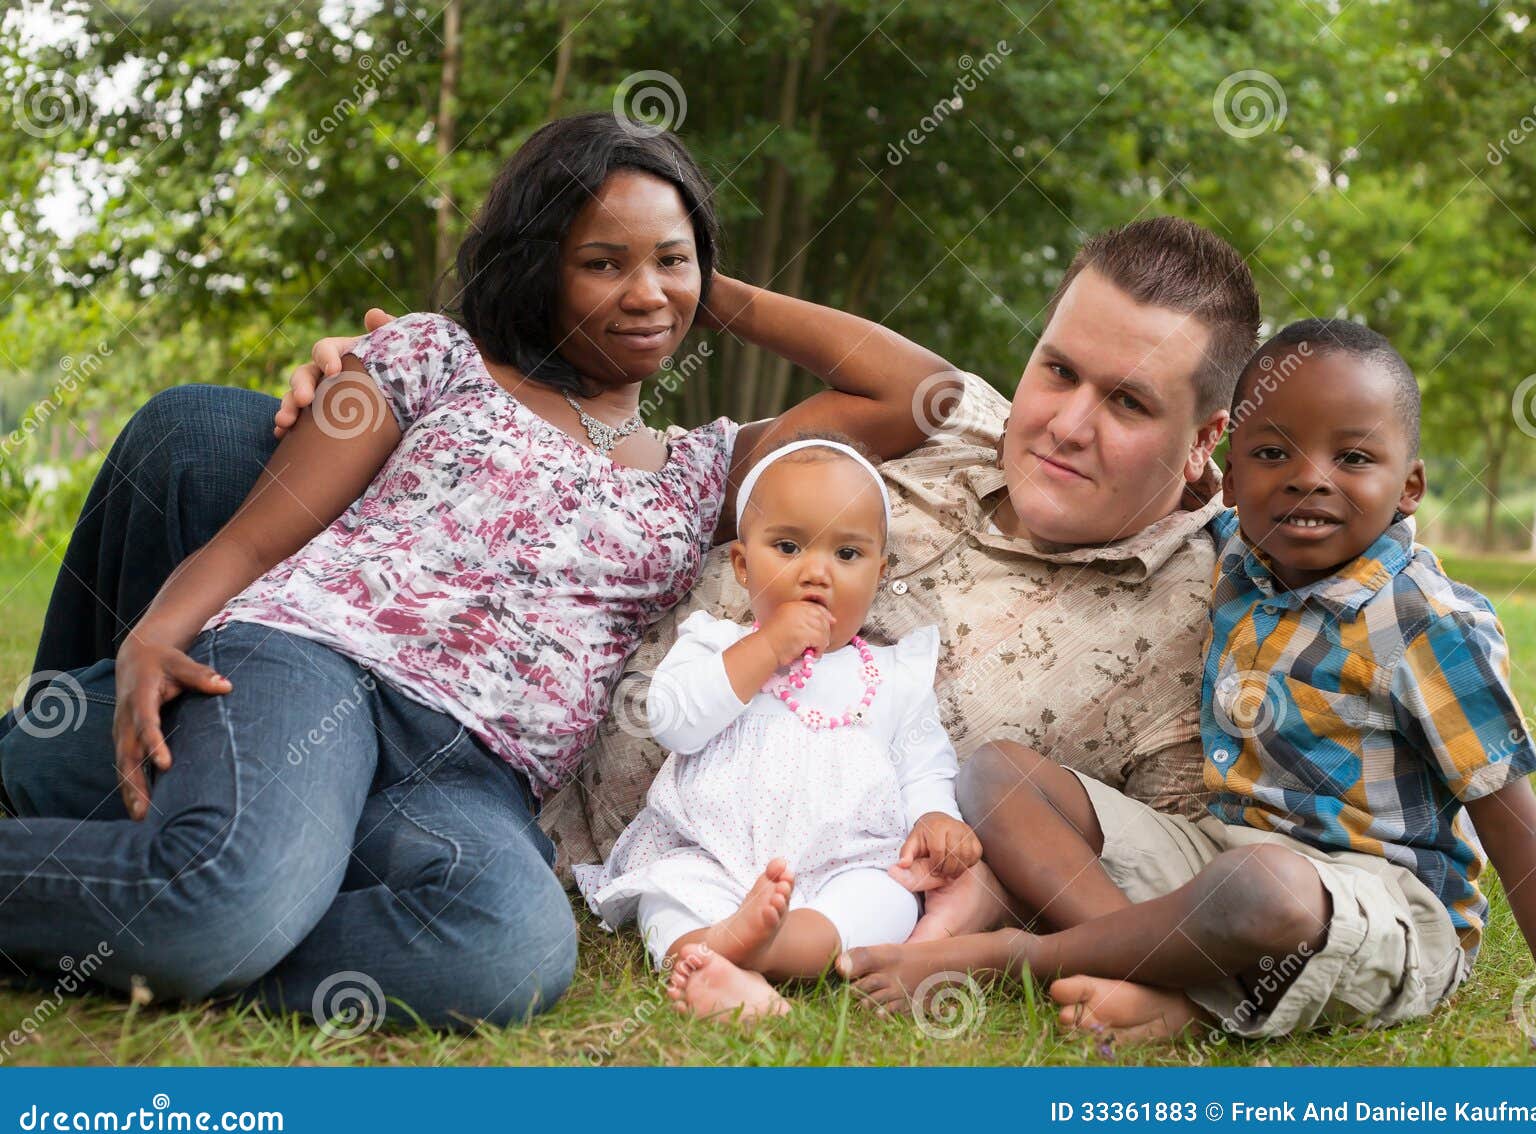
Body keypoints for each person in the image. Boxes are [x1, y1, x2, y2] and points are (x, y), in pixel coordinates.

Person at [0, 112, 953, 1027]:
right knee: (229, 895)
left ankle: (223, 914)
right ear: (539, 269)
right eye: (602, 262)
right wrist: (158, 628)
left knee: (512, 948)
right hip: (318, 669)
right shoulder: (436, 356)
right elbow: (260, 537)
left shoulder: (706, 469)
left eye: (670, 259)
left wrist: (706, 289)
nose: (644, 294)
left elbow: (921, 393)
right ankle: (222, 906)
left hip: (473, 778)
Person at [835, 320, 1536, 1060]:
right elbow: (1167, 491)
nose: (1309, 476)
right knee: (996, 775)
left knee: (1263, 888)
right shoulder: (1236, 553)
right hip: (1218, 854)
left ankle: (1019, 957)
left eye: (1353, 456)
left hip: (1379, 899)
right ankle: (1154, 976)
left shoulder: (1427, 623)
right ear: (1231, 479)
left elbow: (1515, 825)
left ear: (1411, 486)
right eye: (1272, 452)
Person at [575, 435, 979, 1019]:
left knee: (886, 899)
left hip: (845, 862)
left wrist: (936, 816)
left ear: (880, 572)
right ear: (743, 565)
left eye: (847, 554)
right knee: (669, 893)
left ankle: (759, 950)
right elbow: (674, 723)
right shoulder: (716, 644)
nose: (817, 572)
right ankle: (712, 952)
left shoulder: (894, 675)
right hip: (711, 852)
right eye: (789, 547)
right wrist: (766, 648)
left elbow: (924, 764)